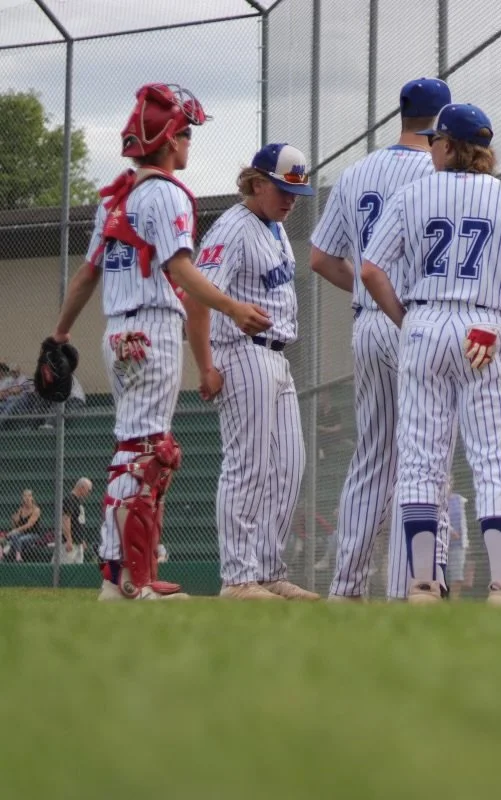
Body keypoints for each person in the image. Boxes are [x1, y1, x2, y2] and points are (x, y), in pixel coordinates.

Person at [48, 83, 271, 601]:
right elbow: (181, 271)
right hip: (152, 329)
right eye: (187, 134)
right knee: (147, 453)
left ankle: (123, 576)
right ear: (170, 140)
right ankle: (129, 582)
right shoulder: (167, 194)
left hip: (118, 332)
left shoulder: (116, 198)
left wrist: (59, 331)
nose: (189, 144)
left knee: (139, 450)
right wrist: (234, 307)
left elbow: (86, 275)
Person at [360, 102, 501, 605]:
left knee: (421, 459)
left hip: (425, 323)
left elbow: (370, 271)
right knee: (494, 459)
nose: (431, 149)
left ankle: (423, 582)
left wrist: (406, 320)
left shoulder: (412, 194)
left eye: (435, 142)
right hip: (484, 327)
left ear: (447, 145)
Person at [310, 77, 456, 602]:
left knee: (372, 457)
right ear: (444, 122)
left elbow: (320, 258)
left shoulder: (357, 172)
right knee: (424, 457)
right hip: (421, 321)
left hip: (370, 321)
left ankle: (346, 587)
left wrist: (373, 290)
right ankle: (413, 585)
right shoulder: (442, 170)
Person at [191, 143, 319, 601]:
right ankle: (237, 578)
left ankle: (266, 571)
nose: (289, 199)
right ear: (257, 182)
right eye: (282, 189)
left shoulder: (275, 226)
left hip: (275, 357)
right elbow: (198, 294)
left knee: (288, 466)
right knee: (248, 467)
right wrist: (205, 364)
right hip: (241, 353)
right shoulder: (233, 227)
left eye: (295, 192)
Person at [59, 477, 94, 564]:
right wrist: (68, 539)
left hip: (78, 542)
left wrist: (82, 539)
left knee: (78, 571)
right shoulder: (69, 499)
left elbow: (79, 521)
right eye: (88, 490)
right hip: (71, 542)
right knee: (65, 568)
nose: (88, 493)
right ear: (82, 487)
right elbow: (66, 520)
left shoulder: (78, 500)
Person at [2, 489, 42, 562]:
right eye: (25, 496)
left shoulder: (36, 510)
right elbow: (15, 526)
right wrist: (14, 521)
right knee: (14, 536)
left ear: (32, 497)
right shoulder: (21, 509)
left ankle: (13, 555)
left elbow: (29, 525)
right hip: (22, 533)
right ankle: (17, 555)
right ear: (22, 498)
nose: (27, 498)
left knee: (19, 539)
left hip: (34, 534)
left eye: (29, 496)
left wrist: (15, 530)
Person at [445, 491, 473, 595]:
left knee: (457, 576)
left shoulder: (459, 499)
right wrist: (451, 530)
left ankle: (454, 603)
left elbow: (463, 523)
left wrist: (467, 543)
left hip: (458, 545)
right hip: (441, 543)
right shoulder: (437, 499)